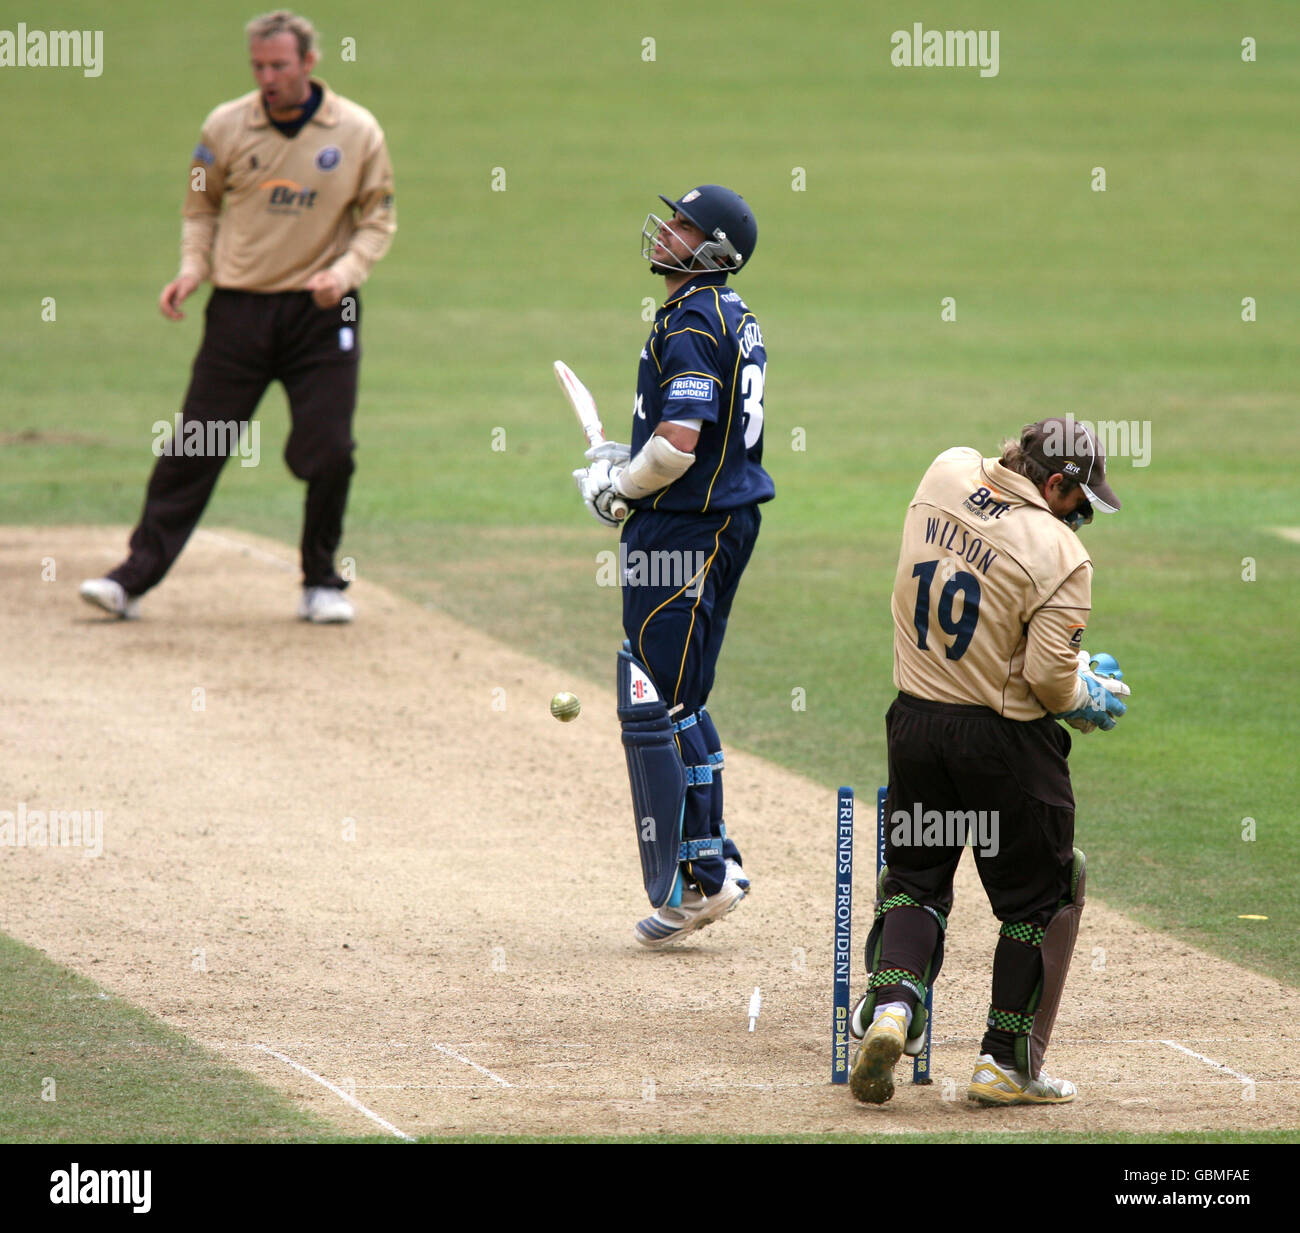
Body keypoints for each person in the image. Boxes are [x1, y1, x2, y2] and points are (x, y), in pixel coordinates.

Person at [80, 9, 395, 624]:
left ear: (309, 62)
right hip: (239, 310)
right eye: (258, 66)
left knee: (330, 450)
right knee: (196, 445)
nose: (268, 76)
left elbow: (377, 219)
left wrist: (345, 274)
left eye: (279, 65)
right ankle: (130, 580)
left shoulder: (358, 131)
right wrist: (193, 269)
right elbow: (199, 206)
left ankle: (321, 583)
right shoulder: (223, 127)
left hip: (324, 311)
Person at [848, 418, 1131, 1105]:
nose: (1083, 518)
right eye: (1080, 501)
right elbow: (1050, 682)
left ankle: (893, 1007)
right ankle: (1005, 1062)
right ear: (1056, 484)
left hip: (914, 721)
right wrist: (1088, 691)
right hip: (1002, 743)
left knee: (916, 875)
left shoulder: (943, 470)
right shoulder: (1061, 554)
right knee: (1045, 893)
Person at [574, 185, 774, 947]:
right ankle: (711, 860)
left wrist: (617, 489)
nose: (669, 230)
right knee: (680, 692)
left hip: (687, 530)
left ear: (715, 250)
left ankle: (704, 877)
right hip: (715, 517)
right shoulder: (733, 314)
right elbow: (686, 440)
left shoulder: (691, 319)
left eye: (687, 225)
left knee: (662, 699)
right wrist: (630, 464)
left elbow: (681, 443)